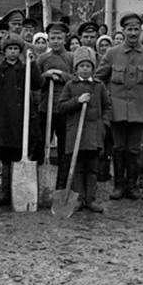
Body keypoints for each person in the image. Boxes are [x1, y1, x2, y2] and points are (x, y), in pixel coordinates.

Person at [96, 13, 143, 200]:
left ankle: (132, 186)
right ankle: (118, 186)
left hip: (140, 110)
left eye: (136, 29)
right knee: (118, 148)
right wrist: (105, 98)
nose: (132, 33)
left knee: (135, 149)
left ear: (140, 31)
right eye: (129, 29)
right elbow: (98, 79)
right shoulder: (112, 54)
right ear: (123, 31)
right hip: (117, 111)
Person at [0, 35, 45, 206]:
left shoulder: (25, 70)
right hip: (4, 121)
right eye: (10, 49)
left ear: (20, 51)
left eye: (16, 49)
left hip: (22, 121)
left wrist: (32, 63)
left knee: (21, 155)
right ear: (4, 51)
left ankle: (20, 189)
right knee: (5, 157)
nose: (13, 52)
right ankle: (5, 191)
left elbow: (38, 83)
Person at [57, 46, 112, 213]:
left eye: (88, 66)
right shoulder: (70, 85)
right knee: (78, 167)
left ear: (93, 68)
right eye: (82, 66)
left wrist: (104, 124)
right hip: (76, 134)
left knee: (92, 168)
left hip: (94, 134)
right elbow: (61, 106)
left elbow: (107, 107)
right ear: (76, 68)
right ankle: (78, 199)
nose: (85, 69)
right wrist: (77, 101)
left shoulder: (99, 86)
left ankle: (91, 199)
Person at [37, 21, 74, 189]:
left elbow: (77, 79)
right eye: (52, 38)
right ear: (48, 40)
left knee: (64, 148)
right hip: (46, 108)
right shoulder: (42, 58)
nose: (56, 41)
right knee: (41, 144)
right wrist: (47, 75)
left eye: (59, 38)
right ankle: (40, 181)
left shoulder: (71, 57)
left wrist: (60, 74)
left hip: (65, 109)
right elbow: (36, 82)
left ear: (65, 39)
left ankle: (61, 184)